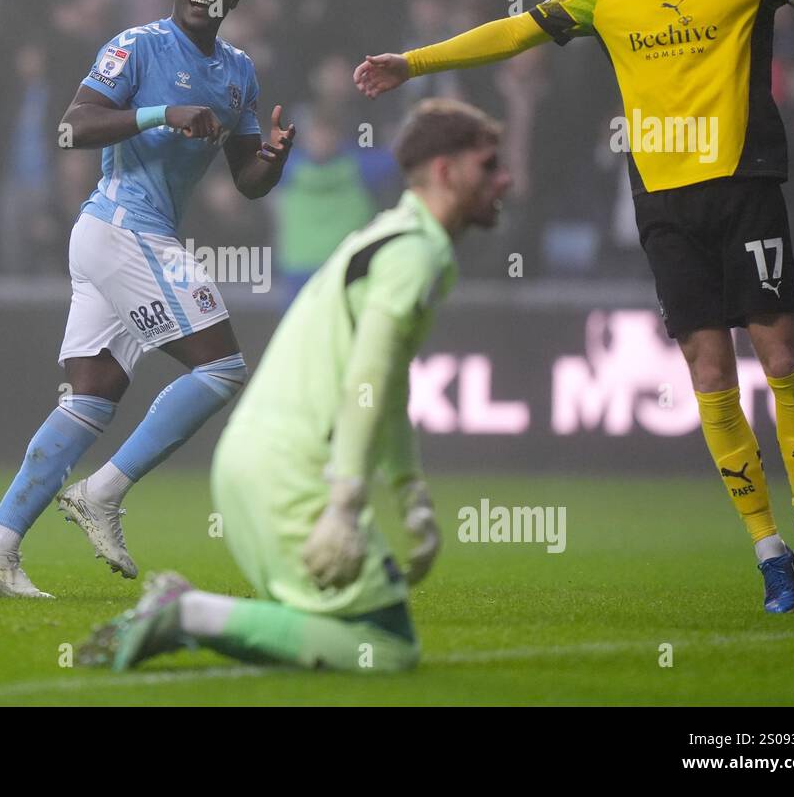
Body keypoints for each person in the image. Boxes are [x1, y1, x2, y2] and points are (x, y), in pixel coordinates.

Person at [354, 0, 794, 612]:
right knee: (707, 368)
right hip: (660, 202)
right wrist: (415, 63)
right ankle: (767, 548)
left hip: (744, 186)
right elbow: (516, 32)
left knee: (783, 351)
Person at [77, 97, 510, 672]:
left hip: (250, 467)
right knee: (386, 649)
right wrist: (346, 502)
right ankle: (184, 612)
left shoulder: (391, 237)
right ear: (445, 171)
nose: (503, 180)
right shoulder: (414, 252)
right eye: (488, 165)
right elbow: (369, 377)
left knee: (330, 636)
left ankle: (192, 614)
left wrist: (409, 490)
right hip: (291, 476)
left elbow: (391, 378)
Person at [0, 0, 296, 598]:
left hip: (121, 237)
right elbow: (72, 126)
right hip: (122, 227)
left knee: (89, 398)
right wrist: (159, 113)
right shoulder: (137, 45)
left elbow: (248, 180)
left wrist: (275, 159)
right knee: (222, 368)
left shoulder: (239, 73)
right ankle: (104, 492)